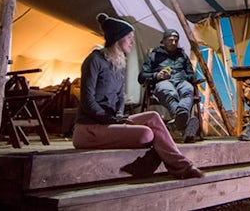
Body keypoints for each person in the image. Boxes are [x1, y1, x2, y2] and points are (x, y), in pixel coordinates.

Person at [72, 13, 204, 179]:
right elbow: (87, 101)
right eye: (129, 37)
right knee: (147, 134)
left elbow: (120, 97)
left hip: (111, 122)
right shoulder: (94, 60)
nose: (132, 42)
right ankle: (173, 162)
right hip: (89, 129)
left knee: (153, 117)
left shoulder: (118, 63)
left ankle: (181, 162)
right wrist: (113, 120)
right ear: (117, 38)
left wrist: (119, 116)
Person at [138, 29, 200, 143]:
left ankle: (179, 121)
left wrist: (184, 76)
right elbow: (142, 76)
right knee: (170, 92)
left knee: (188, 89)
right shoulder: (154, 55)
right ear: (164, 41)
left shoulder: (182, 56)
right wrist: (157, 75)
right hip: (163, 82)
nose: (173, 43)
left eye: (176, 40)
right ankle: (185, 123)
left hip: (181, 81)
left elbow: (191, 74)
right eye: (171, 40)